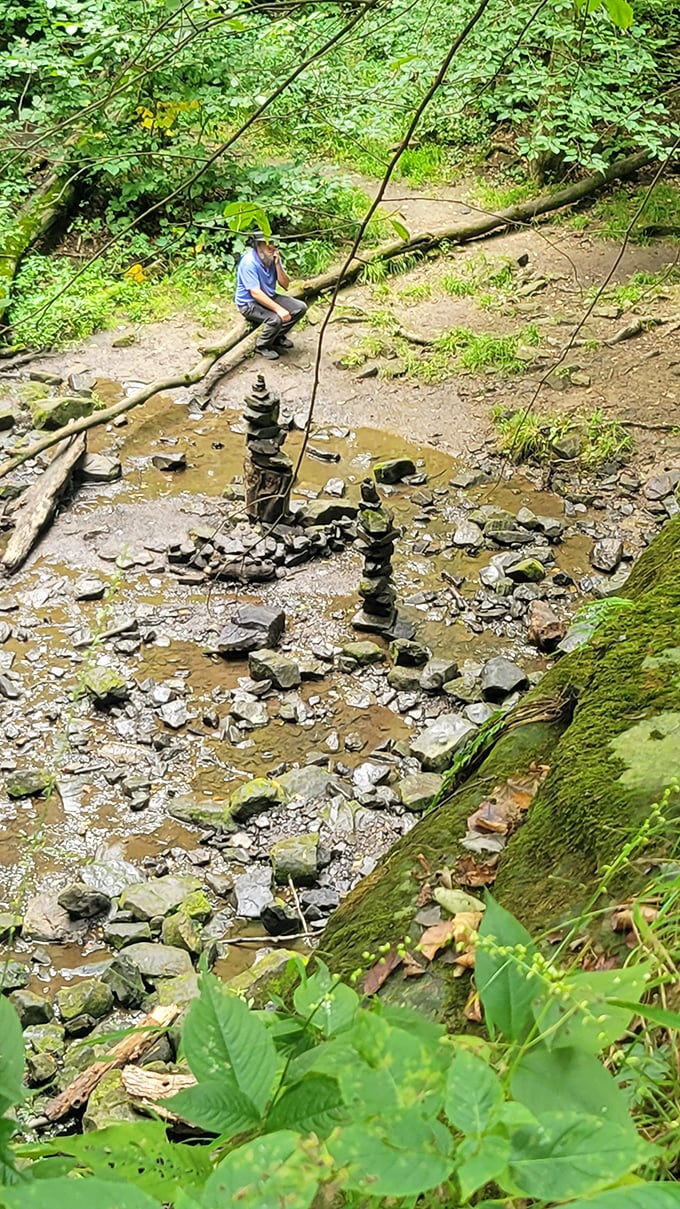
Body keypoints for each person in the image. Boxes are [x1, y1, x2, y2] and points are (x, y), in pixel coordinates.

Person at [234, 231, 307, 360]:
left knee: (300, 307)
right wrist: (279, 309)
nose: (270, 246)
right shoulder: (249, 262)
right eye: (266, 243)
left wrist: (278, 265)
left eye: (271, 242)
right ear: (258, 245)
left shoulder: (272, 258)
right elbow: (255, 293)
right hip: (248, 303)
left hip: (268, 296)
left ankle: (277, 336)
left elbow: (285, 284)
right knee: (275, 319)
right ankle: (262, 345)